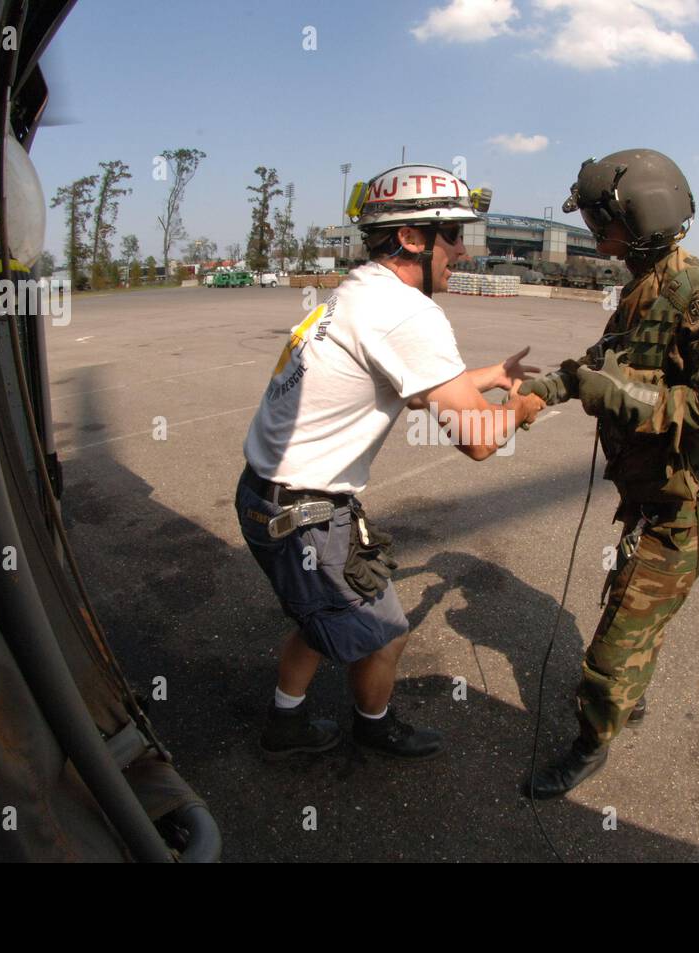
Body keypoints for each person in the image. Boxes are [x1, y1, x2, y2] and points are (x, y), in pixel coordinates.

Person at [234, 164, 547, 761]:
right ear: (411, 239)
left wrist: (490, 377)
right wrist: (530, 405)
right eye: (451, 233)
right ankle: (374, 727)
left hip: (267, 495)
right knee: (385, 634)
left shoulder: (359, 293)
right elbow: (479, 437)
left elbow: (413, 380)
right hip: (306, 514)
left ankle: (285, 719)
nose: (461, 248)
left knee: (318, 618)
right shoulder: (408, 312)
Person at [517, 149, 699, 797]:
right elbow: (598, 365)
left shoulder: (697, 297)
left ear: (639, 215)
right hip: (655, 495)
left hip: (686, 508)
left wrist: (622, 395)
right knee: (630, 608)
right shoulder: (643, 287)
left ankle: (592, 739)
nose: (596, 234)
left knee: (608, 651)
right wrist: (539, 392)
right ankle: (628, 688)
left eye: (600, 221)